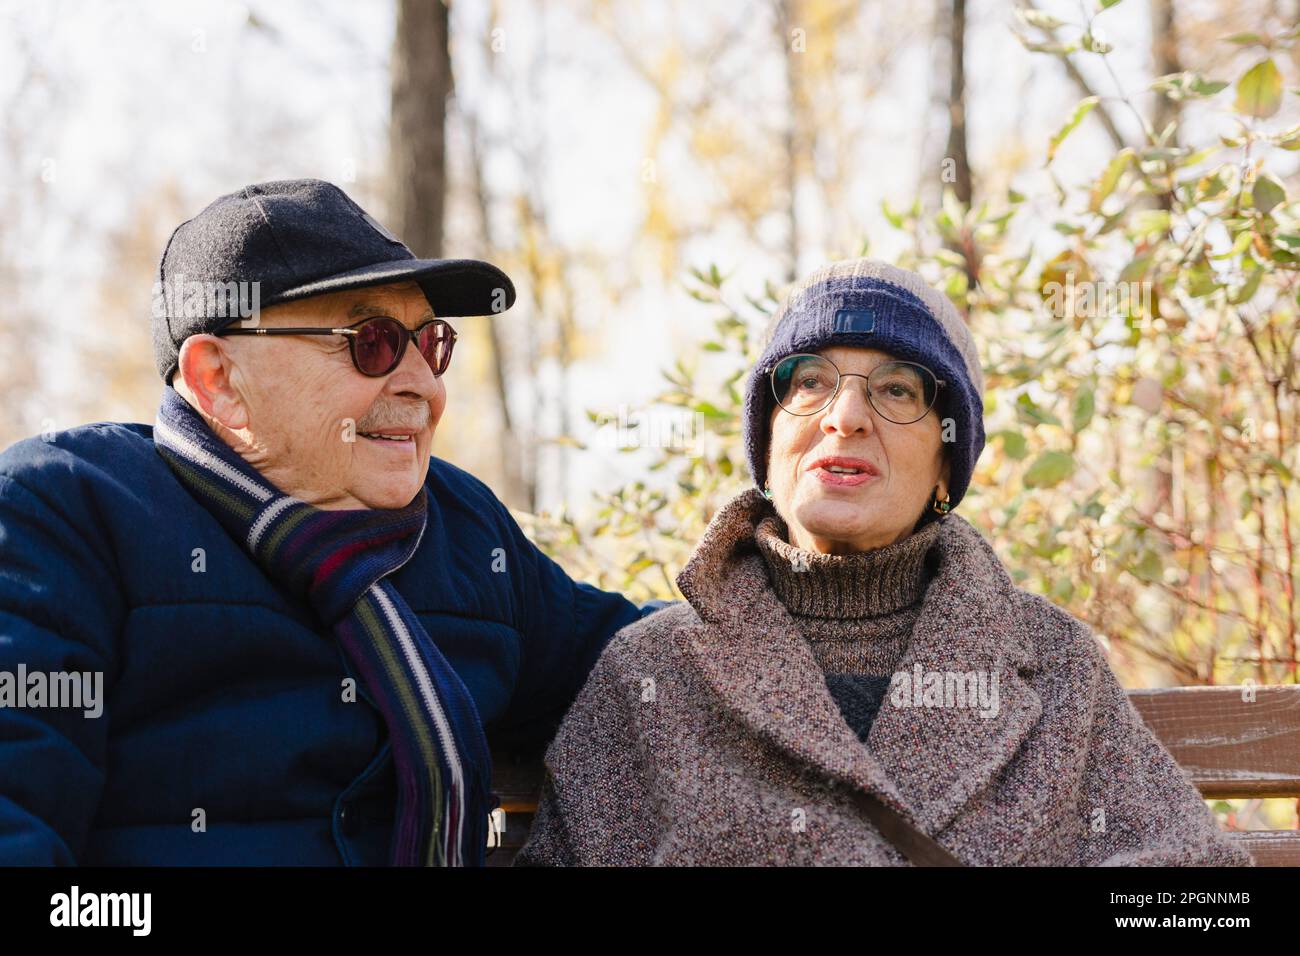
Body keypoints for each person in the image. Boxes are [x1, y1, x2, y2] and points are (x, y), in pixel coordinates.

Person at [0, 178, 660, 866]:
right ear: (219, 379)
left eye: (431, 344)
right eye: (371, 342)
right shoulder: (65, 514)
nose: (425, 386)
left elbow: (651, 665)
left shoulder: (466, 532)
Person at [514, 258, 1254, 866]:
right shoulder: (653, 673)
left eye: (897, 389)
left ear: (945, 463)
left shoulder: (1053, 665)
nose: (845, 415)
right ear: (768, 443)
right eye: (809, 382)